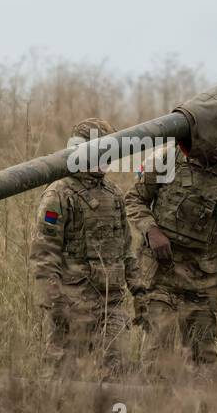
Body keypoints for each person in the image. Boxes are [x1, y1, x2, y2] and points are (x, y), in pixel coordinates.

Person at [124, 135, 217, 369]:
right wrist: (151, 230)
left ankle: (197, 406)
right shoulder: (167, 157)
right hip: (161, 277)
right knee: (157, 361)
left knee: (203, 363)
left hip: (203, 284)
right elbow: (134, 199)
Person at [31, 118, 137, 374]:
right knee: (63, 377)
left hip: (111, 305)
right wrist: (53, 301)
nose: (109, 159)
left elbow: (126, 251)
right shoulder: (58, 194)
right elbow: (44, 252)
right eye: (103, 151)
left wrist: (140, 292)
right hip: (71, 305)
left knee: (115, 375)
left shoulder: (113, 195)